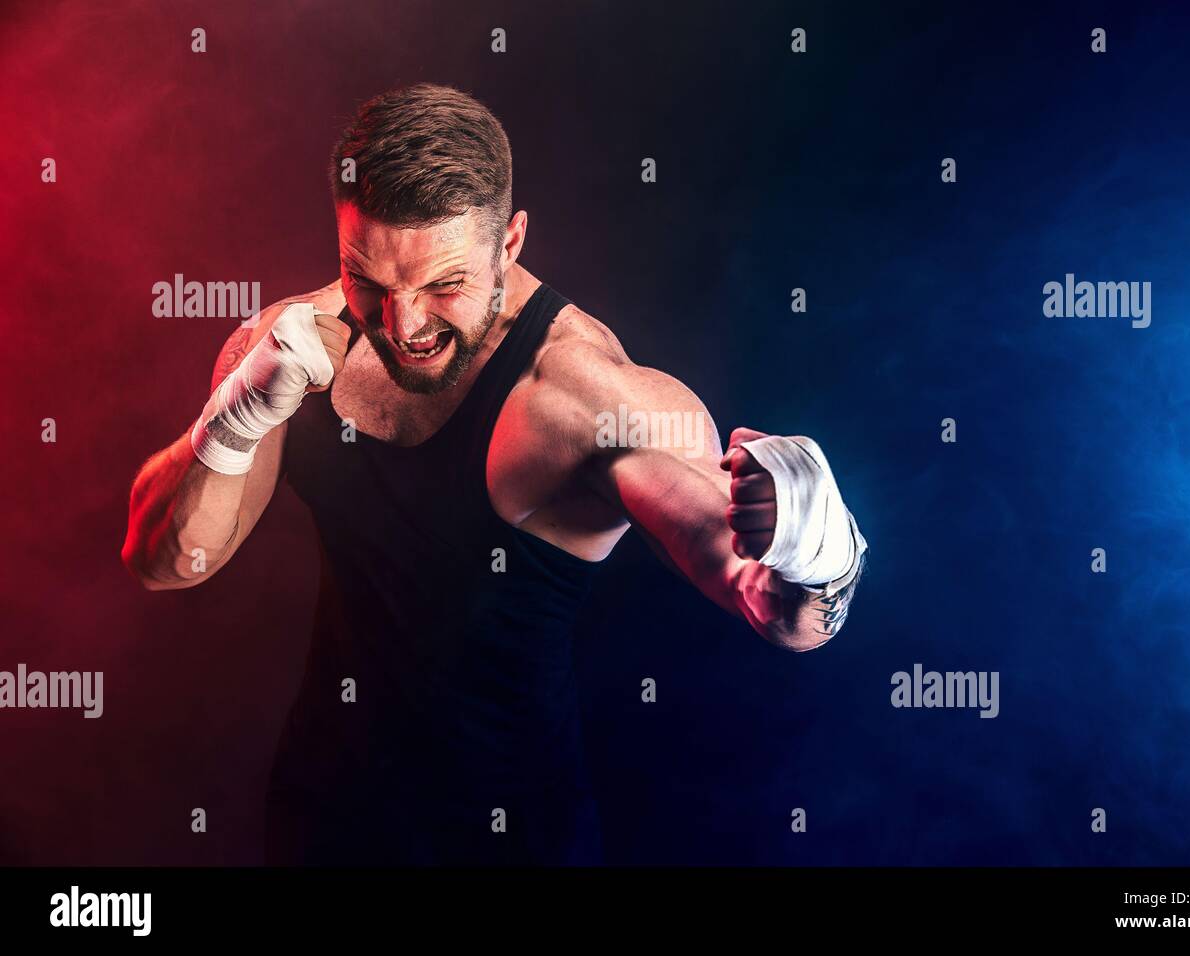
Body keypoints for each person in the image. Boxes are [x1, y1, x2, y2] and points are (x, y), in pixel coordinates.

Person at [121, 84, 868, 865]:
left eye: (444, 285)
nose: (401, 326)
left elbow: (778, 612)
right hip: (324, 821)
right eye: (368, 281)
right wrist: (232, 420)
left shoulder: (587, 397)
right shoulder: (288, 344)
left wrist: (819, 553)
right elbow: (164, 564)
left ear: (508, 244)